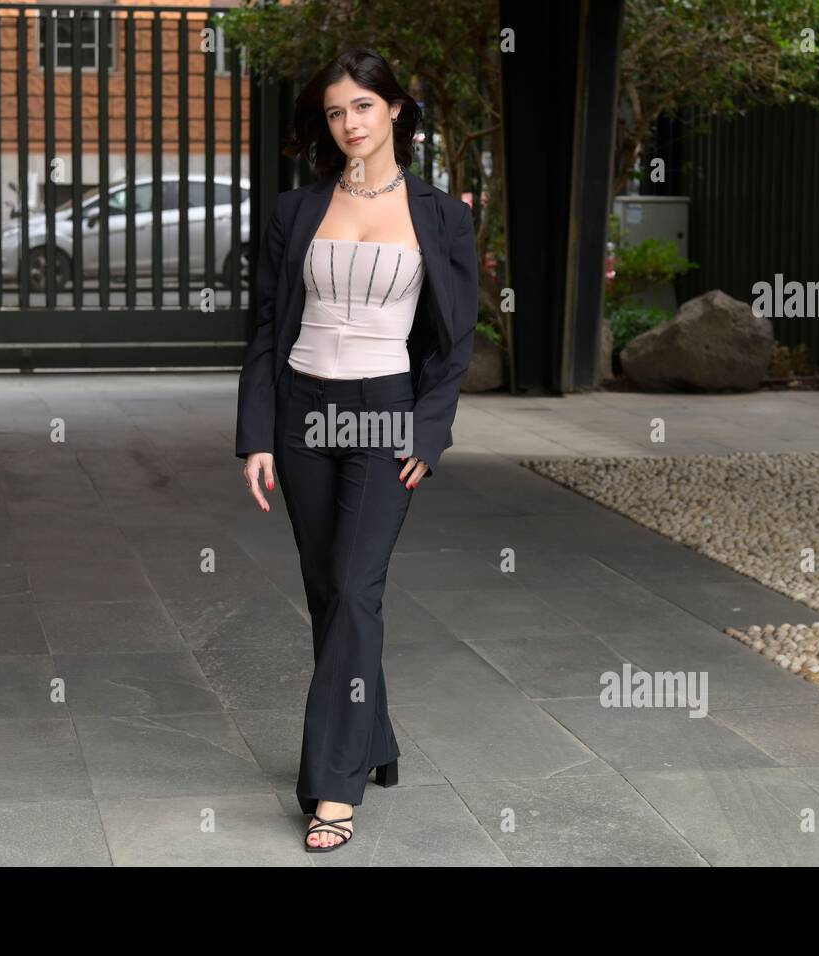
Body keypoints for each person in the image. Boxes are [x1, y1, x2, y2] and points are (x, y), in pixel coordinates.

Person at [234, 47, 479, 852]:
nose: (350, 124)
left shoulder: (441, 215)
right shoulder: (295, 211)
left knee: (353, 583)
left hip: (384, 415)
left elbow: (454, 340)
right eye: (337, 111)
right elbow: (269, 328)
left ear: (396, 109)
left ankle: (333, 785)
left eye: (364, 107)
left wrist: (430, 429)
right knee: (327, 592)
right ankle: (371, 740)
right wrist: (258, 436)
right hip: (304, 410)